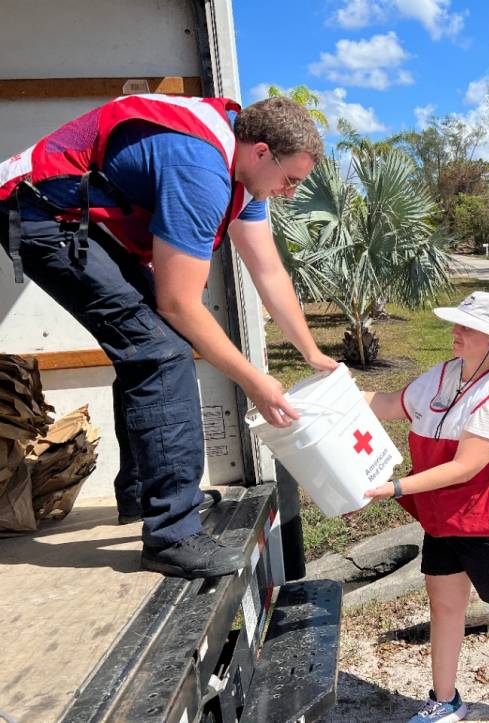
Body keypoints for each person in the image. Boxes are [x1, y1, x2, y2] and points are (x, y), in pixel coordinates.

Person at [0, 94, 338, 578]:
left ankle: (144, 495)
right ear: (262, 151)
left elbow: (269, 272)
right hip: (41, 213)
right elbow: (178, 303)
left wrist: (311, 352)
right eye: (290, 181)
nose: (288, 193)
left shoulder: (242, 170)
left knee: (151, 345)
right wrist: (255, 382)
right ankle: (171, 534)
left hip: (74, 215)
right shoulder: (200, 169)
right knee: (160, 353)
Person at [363, 291, 489, 723]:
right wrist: (336, 394)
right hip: (444, 518)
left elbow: (465, 468)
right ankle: (445, 701)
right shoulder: (445, 374)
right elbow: (391, 404)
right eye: (457, 324)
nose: (456, 332)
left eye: (467, 327)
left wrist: (394, 487)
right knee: (444, 607)